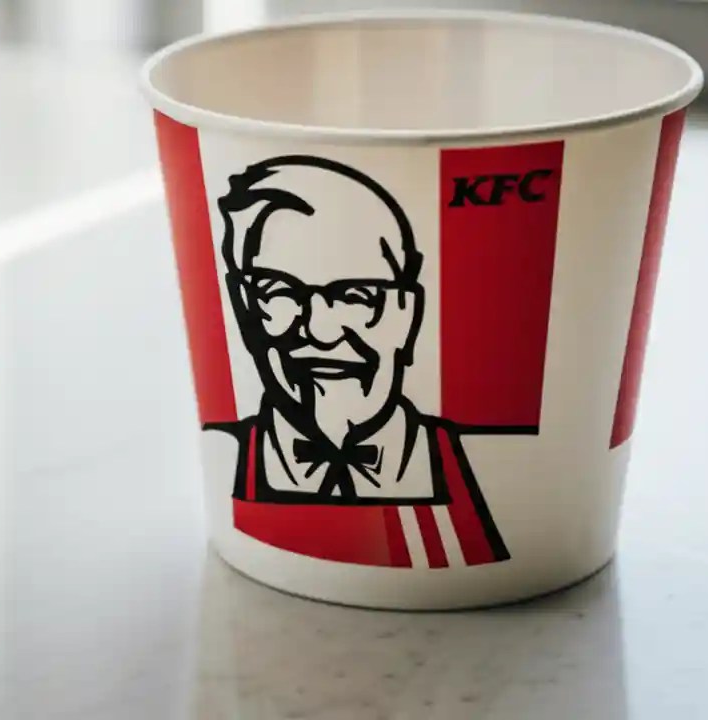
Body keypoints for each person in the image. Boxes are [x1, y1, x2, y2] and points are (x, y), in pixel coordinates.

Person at [207, 156, 510, 569]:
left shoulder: (497, 466)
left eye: (355, 296)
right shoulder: (221, 455)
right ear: (244, 308)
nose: (321, 330)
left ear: (407, 312)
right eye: (281, 292)